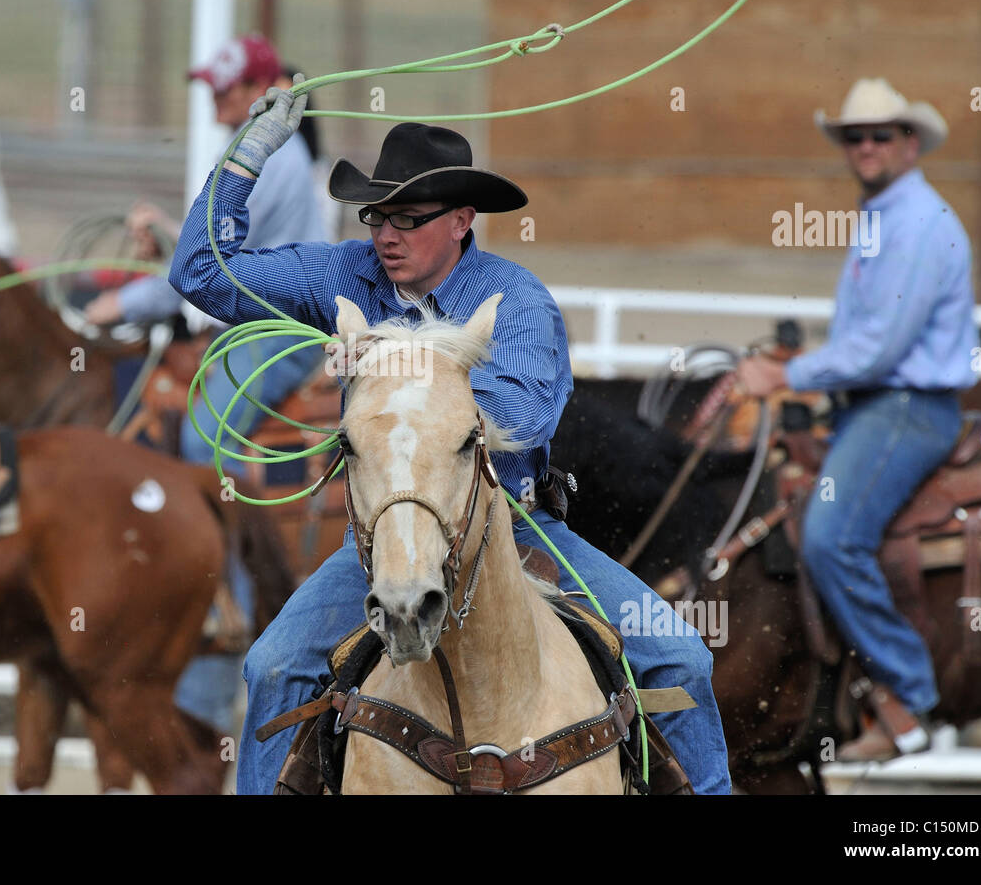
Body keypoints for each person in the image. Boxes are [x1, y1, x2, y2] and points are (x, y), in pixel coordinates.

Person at [167, 84, 733, 794]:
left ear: (463, 220)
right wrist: (245, 158)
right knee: (274, 665)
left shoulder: (517, 299)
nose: (386, 235)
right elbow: (199, 271)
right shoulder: (344, 272)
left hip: (522, 528)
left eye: (408, 218)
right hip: (382, 536)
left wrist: (388, 365)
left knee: (681, 659)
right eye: (376, 215)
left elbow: (522, 417)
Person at [85, 36, 329, 734]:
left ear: (270, 85)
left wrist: (125, 304)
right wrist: (167, 235)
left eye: (230, 91)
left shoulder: (274, 157)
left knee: (203, 432)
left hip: (282, 330)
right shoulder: (264, 153)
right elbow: (214, 255)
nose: (220, 103)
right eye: (217, 92)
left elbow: (219, 272)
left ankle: (228, 597)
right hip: (254, 324)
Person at [736, 78, 977, 761]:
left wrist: (785, 373)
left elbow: (880, 349)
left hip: (905, 408)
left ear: (908, 142)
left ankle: (911, 696)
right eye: (854, 137)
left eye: (878, 135)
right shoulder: (887, 218)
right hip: (875, 403)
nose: (865, 147)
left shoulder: (918, 225)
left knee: (831, 535)